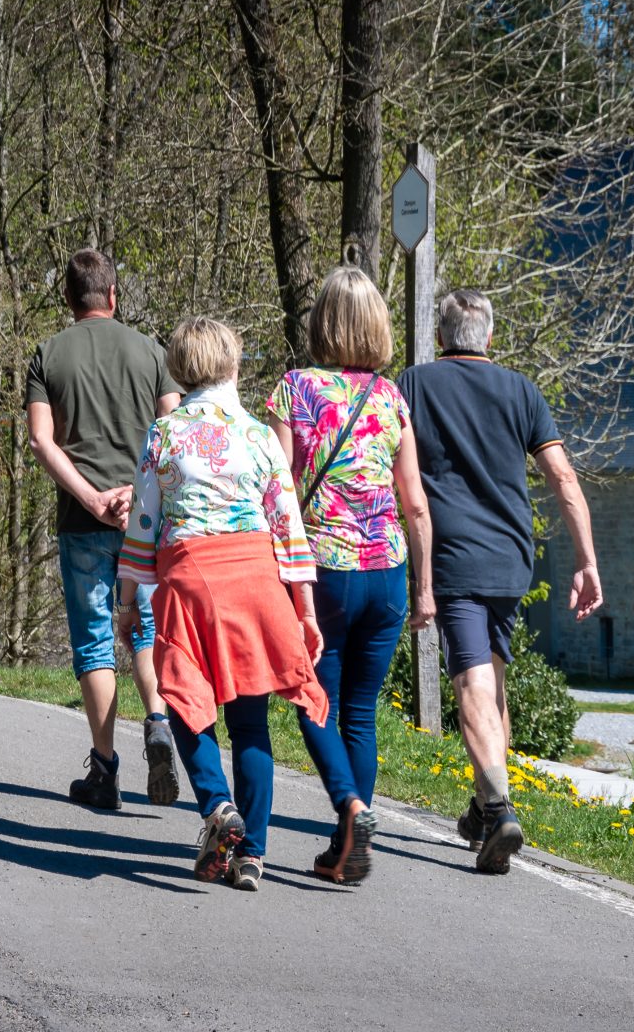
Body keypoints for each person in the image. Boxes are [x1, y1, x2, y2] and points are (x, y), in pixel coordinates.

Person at [116, 317, 326, 891]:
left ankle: (217, 806)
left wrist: (127, 601)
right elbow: (290, 528)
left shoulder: (164, 434)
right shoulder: (260, 435)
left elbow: (142, 525)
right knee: (251, 719)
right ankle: (252, 855)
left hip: (190, 579)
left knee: (185, 701)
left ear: (180, 370)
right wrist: (304, 612)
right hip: (258, 579)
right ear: (233, 365)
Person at [397, 288, 602, 875]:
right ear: (489, 337)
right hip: (513, 559)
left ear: (440, 337)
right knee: (494, 680)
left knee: (470, 686)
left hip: (455, 558)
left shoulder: (413, 385)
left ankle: (499, 808)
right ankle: (483, 807)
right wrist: (587, 560)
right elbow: (562, 477)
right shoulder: (522, 390)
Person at [266, 267, 434, 885]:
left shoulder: (295, 389)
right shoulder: (392, 398)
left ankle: (350, 809)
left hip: (324, 574)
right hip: (388, 572)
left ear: (324, 322)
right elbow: (414, 501)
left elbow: (277, 485)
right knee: (359, 712)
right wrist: (425, 591)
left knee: (315, 703)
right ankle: (344, 851)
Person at [27, 249, 181, 810]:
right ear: (113, 295)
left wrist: (93, 498)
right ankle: (159, 721)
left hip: (81, 518)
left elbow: (42, 440)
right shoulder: (151, 352)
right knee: (144, 628)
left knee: (94, 639)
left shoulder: (48, 354)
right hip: (146, 515)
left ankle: (105, 770)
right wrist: (138, 494)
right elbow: (174, 429)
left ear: (69, 298)